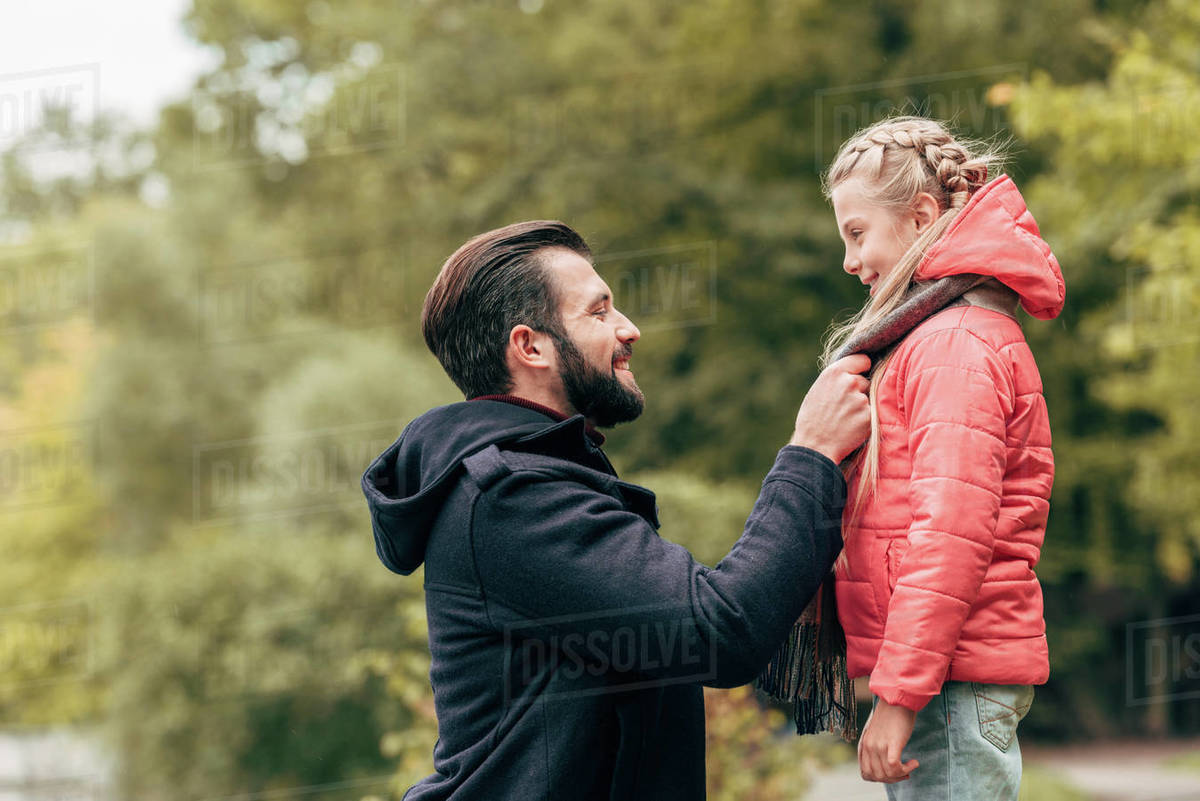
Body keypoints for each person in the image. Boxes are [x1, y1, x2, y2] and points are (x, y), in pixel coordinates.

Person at [361, 220, 871, 800]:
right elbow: (719, 630)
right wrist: (812, 453)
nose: (630, 328)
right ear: (531, 347)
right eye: (599, 312)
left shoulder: (540, 480)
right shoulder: (512, 499)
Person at [822, 116, 1064, 799]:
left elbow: (950, 535)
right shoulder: (941, 332)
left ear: (922, 215)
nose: (848, 258)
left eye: (857, 232)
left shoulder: (953, 341)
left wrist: (898, 695)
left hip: (948, 684)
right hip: (944, 675)